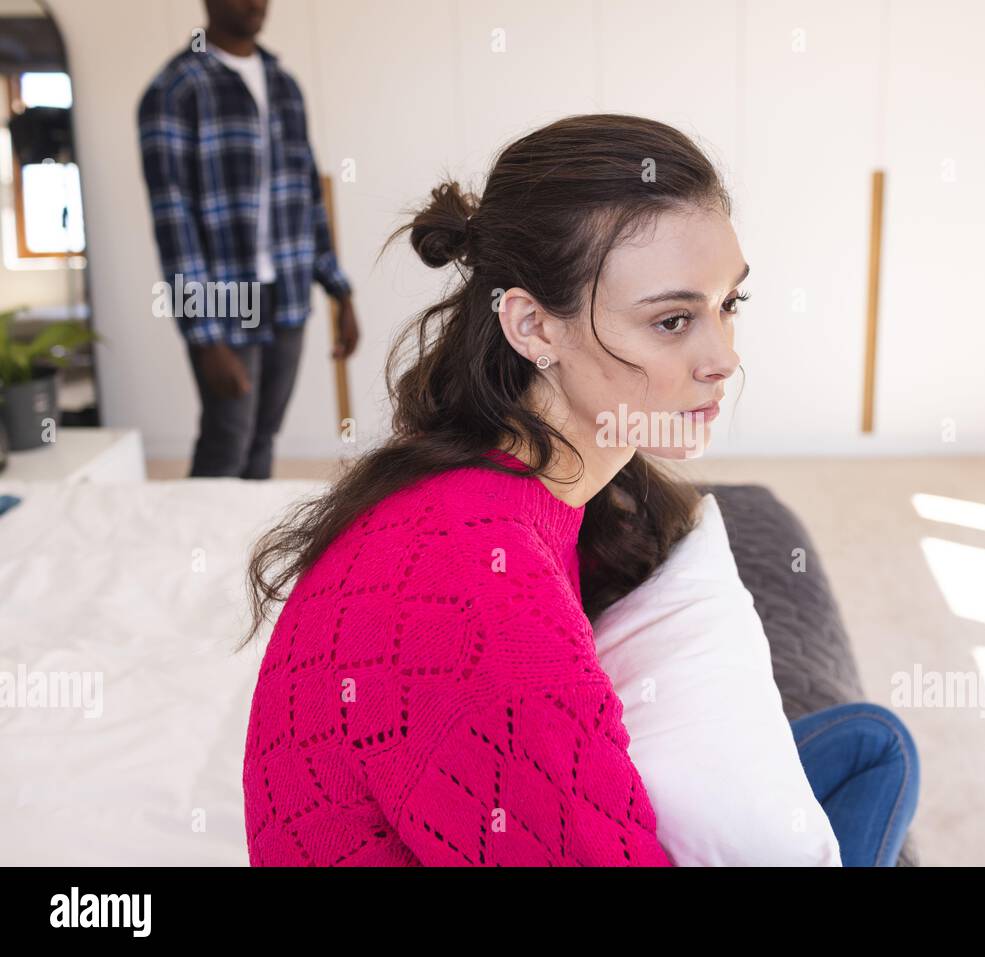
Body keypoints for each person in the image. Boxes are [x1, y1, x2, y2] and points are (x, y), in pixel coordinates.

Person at [237, 112, 919, 866]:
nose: (722, 356)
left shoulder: (510, 481)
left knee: (874, 746)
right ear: (532, 327)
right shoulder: (484, 601)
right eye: (672, 320)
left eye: (730, 304)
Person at [137, 0, 359, 479]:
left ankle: (241, 549)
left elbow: (307, 196)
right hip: (224, 295)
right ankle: (193, 545)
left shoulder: (284, 85)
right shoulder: (174, 89)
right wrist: (203, 335)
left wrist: (340, 289)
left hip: (289, 287)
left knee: (263, 436)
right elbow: (173, 221)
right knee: (228, 437)